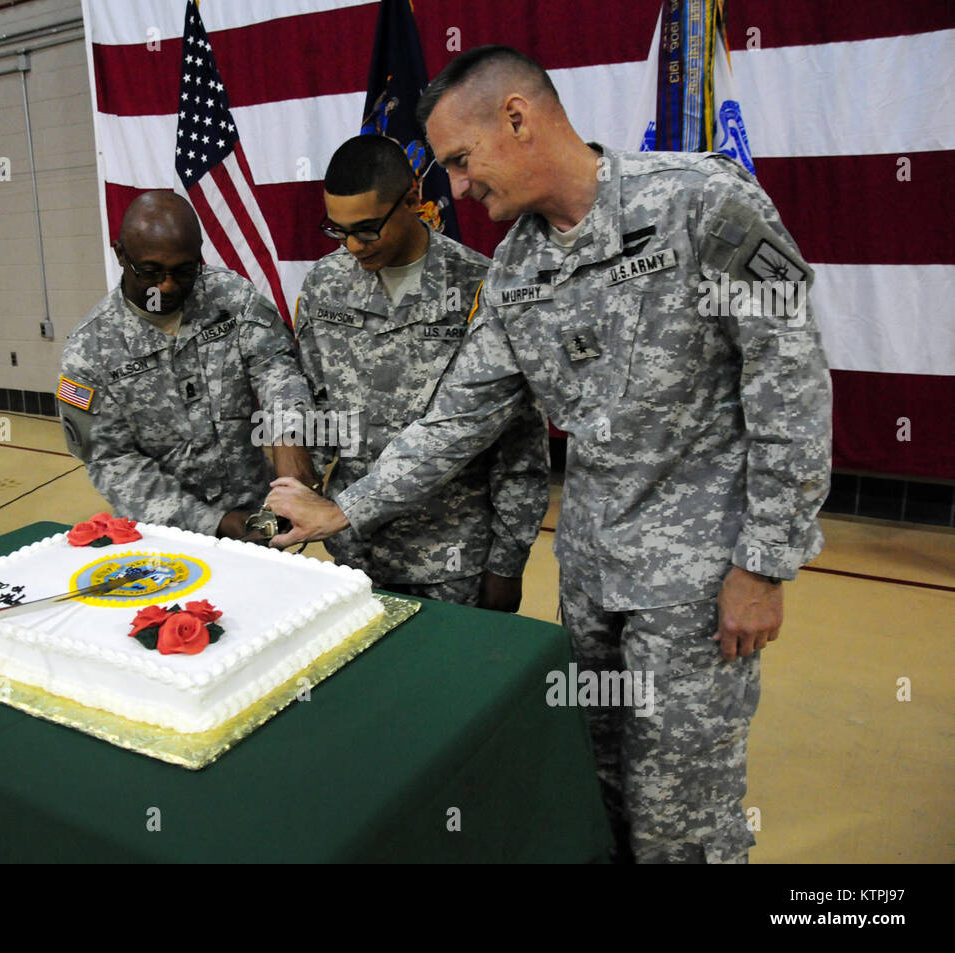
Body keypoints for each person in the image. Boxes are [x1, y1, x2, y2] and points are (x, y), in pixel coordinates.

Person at [266, 47, 832, 863]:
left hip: (699, 582)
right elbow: (459, 414)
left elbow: (792, 386)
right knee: (596, 782)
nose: (456, 190)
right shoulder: (518, 268)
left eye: (461, 162)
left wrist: (766, 563)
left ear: (519, 118)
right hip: (594, 575)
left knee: (684, 818)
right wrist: (345, 504)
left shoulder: (702, 204)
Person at [296, 134, 548, 609]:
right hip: (355, 551)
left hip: (454, 560)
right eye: (338, 230)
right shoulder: (324, 285)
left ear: (412, 199)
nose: (353, 245)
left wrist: (507, 561)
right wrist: (296, 481)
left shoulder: (480, 286)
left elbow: (521, 443)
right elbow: (318, 407)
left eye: (368, 229)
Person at [59, 191, 315, 537]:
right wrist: (214, 524)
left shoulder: (232, 299)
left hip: (256, 514)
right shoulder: (89, 351)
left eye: (184, 271)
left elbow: (277, 370)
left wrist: (290, 442)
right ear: (121, 254)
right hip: (163, 534)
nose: (167, 285)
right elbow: (113, 463)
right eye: (150, 272)